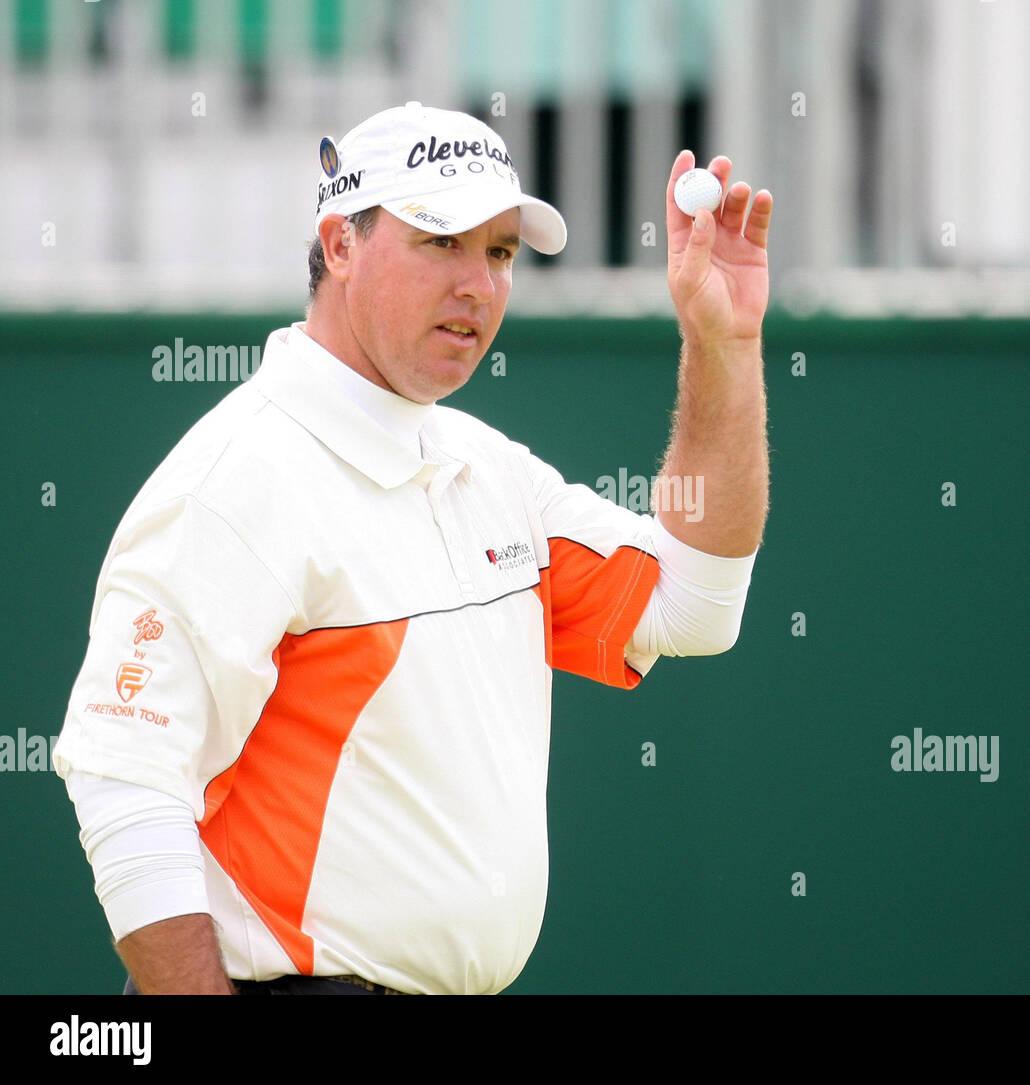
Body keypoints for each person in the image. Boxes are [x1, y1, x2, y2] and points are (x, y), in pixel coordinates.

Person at [53, 102, 772, 995]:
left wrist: (722, 341)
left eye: (501, 252)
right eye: (442, 242)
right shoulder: (232, 481)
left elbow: (695, 604)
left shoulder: (487, 470)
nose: (480, 283)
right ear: (340, 244)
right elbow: (124, 777)